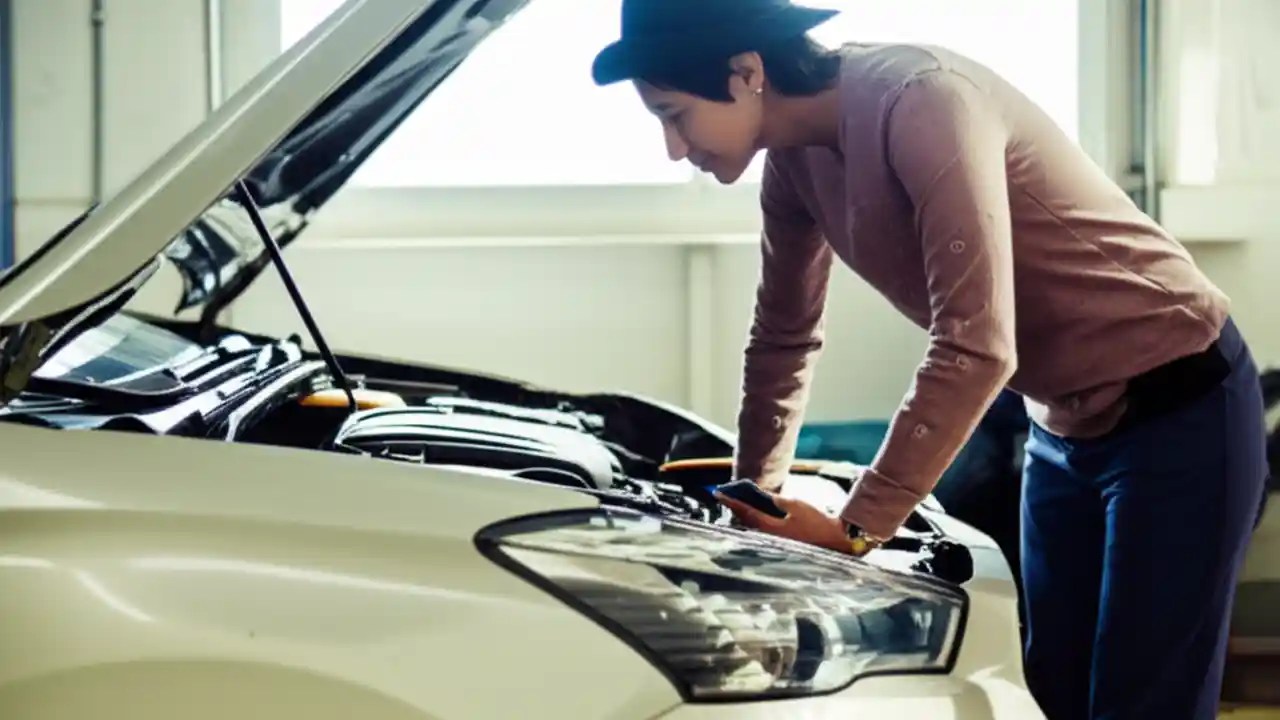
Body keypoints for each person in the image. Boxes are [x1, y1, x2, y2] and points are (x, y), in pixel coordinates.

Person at [590, 1, 1270, 719]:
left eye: (674, 114)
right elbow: (782, 337)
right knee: (1052, 696)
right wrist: (749, 500)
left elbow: (976, 345)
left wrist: (858, 526)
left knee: (1143, 704)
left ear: (746, 73)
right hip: (1062, 429)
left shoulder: (922, 101)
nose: (672, 146)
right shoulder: (791, 168)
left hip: (1183, 404)